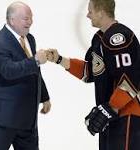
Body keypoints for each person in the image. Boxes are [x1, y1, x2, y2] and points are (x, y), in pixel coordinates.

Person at [46, 0, 140, 149]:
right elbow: (90, 72)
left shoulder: (118, 37)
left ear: (101, 12)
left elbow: (130, 79)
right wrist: (59, 59)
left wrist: (111, 108)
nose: (88, 15)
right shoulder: (99, 38)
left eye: (91, 11)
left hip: (127, 115)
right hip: (110, 117)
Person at [0, 1, 51, 150]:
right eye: (26, 18)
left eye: (31, 18)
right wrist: (35, 60)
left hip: (27, 120)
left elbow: (34, 71)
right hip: (4, 119)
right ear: (12, 20)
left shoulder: (30, 39)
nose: (30, 22)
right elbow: (8, 71)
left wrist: (44, 96)